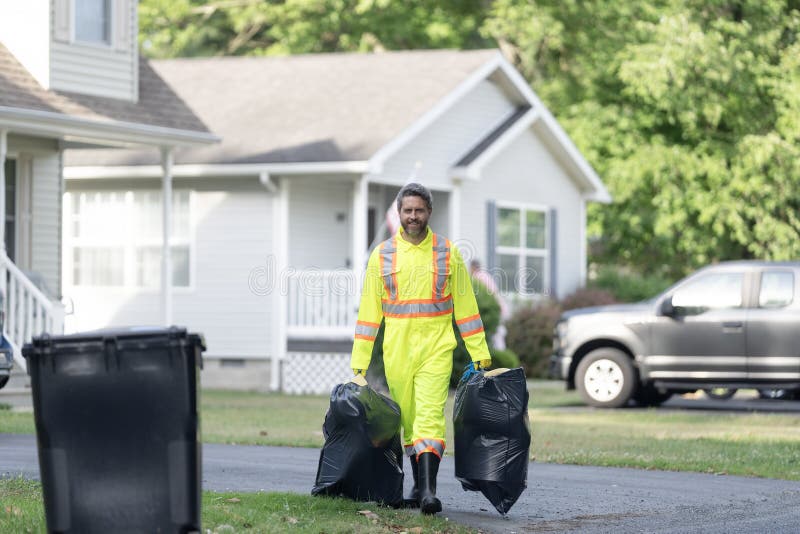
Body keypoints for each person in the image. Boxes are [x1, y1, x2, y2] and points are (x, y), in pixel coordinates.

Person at [350, 182, 492, 515]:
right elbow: (369, 313)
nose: (413, 216)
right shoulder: (382, 255)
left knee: (429, 416)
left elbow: (466, 308)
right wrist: (359, 362)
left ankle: (428, 492)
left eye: (419, 210)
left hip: (436, 349)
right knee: (410, 418)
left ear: (430, 212)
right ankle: (416, 485)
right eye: (407, 210)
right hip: (397, 351)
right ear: (399, 213)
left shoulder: (448, 253)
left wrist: (480, 353)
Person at [469, 259, 509, 350]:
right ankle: (500, 353)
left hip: (495, 309)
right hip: (500, 307)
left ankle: (499, 354)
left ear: (473, 268)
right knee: (497, 333)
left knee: (496, 334)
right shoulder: (485, 275)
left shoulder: (477, 277)